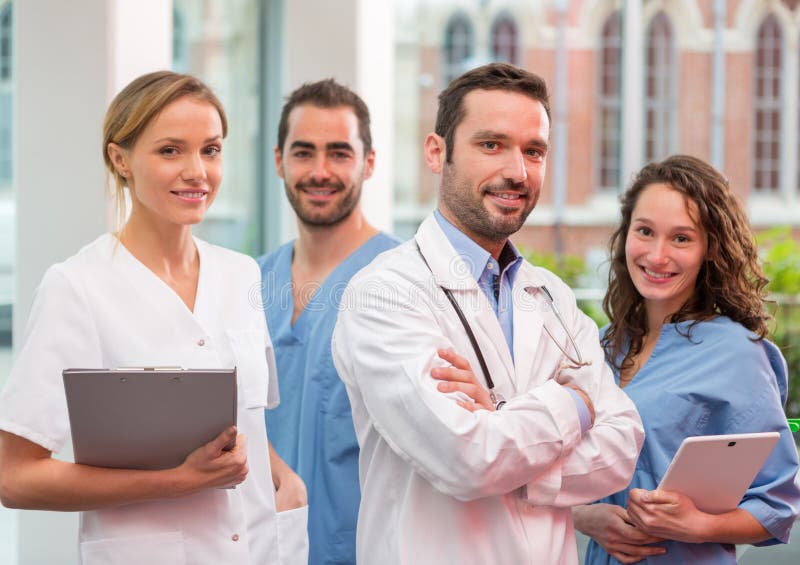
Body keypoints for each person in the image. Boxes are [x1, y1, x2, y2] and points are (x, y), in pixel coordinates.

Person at [331, 62, 644, 565]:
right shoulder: (384, 293)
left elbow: (624, 445)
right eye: (491, 144)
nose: (517, 172)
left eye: (533, 151)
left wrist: (503, 428)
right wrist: (576, 405)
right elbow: (467, 459)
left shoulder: (552, 296)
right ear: (438, 152)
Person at [0, 71, 308, 565]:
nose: (197, 172)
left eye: (210, 150)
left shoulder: (240, 274)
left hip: (258, 548)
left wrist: (285, 481)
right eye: (170, 151)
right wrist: (176, 482)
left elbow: (248, 421)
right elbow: (15, 479)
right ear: (120, 159)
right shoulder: (77, 287)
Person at [571, 155, 800, 564]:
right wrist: (585, 517)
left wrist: (699, 526)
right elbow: (549, 469)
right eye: (645, 232)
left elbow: (778, 503)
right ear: (626, 236)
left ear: (710, 248)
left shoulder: (737, 354)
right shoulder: (600, 346)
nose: (657, 256)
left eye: (681, 238)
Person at [258, 78, 399, 564]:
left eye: (339, 153)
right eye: (303, 153)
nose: (320, 171)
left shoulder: (405, 282)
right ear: (279, 160)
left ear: (370, 162)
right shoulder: (248, 285)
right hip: (261, 548)